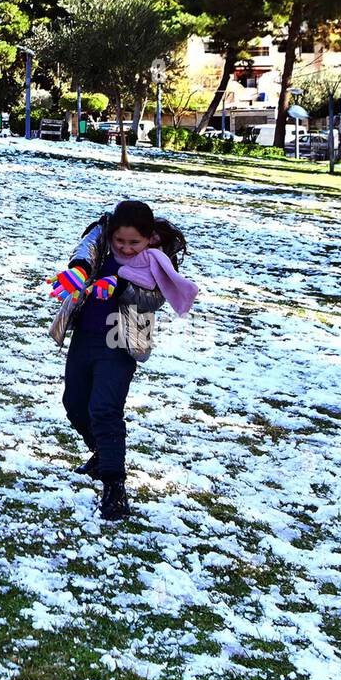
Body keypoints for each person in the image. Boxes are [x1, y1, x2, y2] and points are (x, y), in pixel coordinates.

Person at [49, 200, 198, 520]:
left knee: (105, 409)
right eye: (120, 241)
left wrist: (118, 285)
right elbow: (85, 253)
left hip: (121, 343)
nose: (126, 248)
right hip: (86, 338)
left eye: (134, 242)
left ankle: (114, 486)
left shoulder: (157, 261)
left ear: (149, 238)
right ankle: (102, 451)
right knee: (75, 404)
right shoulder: (101, 242)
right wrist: (79, 272)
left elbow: (155, 297)